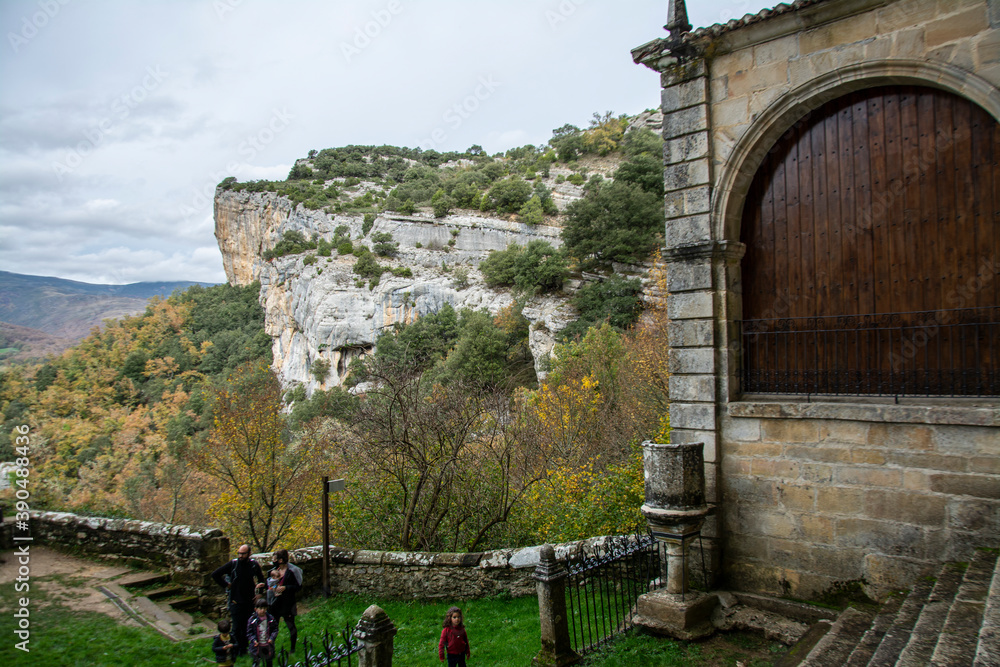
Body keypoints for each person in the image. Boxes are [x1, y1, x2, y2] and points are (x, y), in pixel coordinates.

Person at [212, 544, 266, 657]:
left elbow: (261, 579)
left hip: (249, 601)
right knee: (236, 628)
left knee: (247, 626)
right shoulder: (233, 564)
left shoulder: (253, 565)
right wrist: (226, 585)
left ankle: (244, 649)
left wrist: (260, 593)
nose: (241, 556)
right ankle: (235, 650)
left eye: (243, 554)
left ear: (249, 554)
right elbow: (215, 574)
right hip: (235, 601)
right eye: (239, 553)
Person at [267, 548, 303, 653]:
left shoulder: (292, 572)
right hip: (275, 604)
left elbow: (298, 587)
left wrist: (286, 588)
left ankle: (293, 648)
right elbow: (268, 584)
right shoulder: (273, 571)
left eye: (275, 559)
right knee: (273, 627)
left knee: (291, 625)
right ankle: (271, 648)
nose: (273, 561)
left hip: (287, 604)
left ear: (281, 560)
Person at [247, 597, 278, 667]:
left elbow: (275, 629)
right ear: (256, 609)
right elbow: (249, 633)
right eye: (260, 608)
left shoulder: (270, 619)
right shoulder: (252, 620)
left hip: (267, 645)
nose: (263, 610)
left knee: (269, 662)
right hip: (257, 646)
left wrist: (272, 638)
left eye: (264, 608)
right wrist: (253, 640)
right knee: (256, 662)